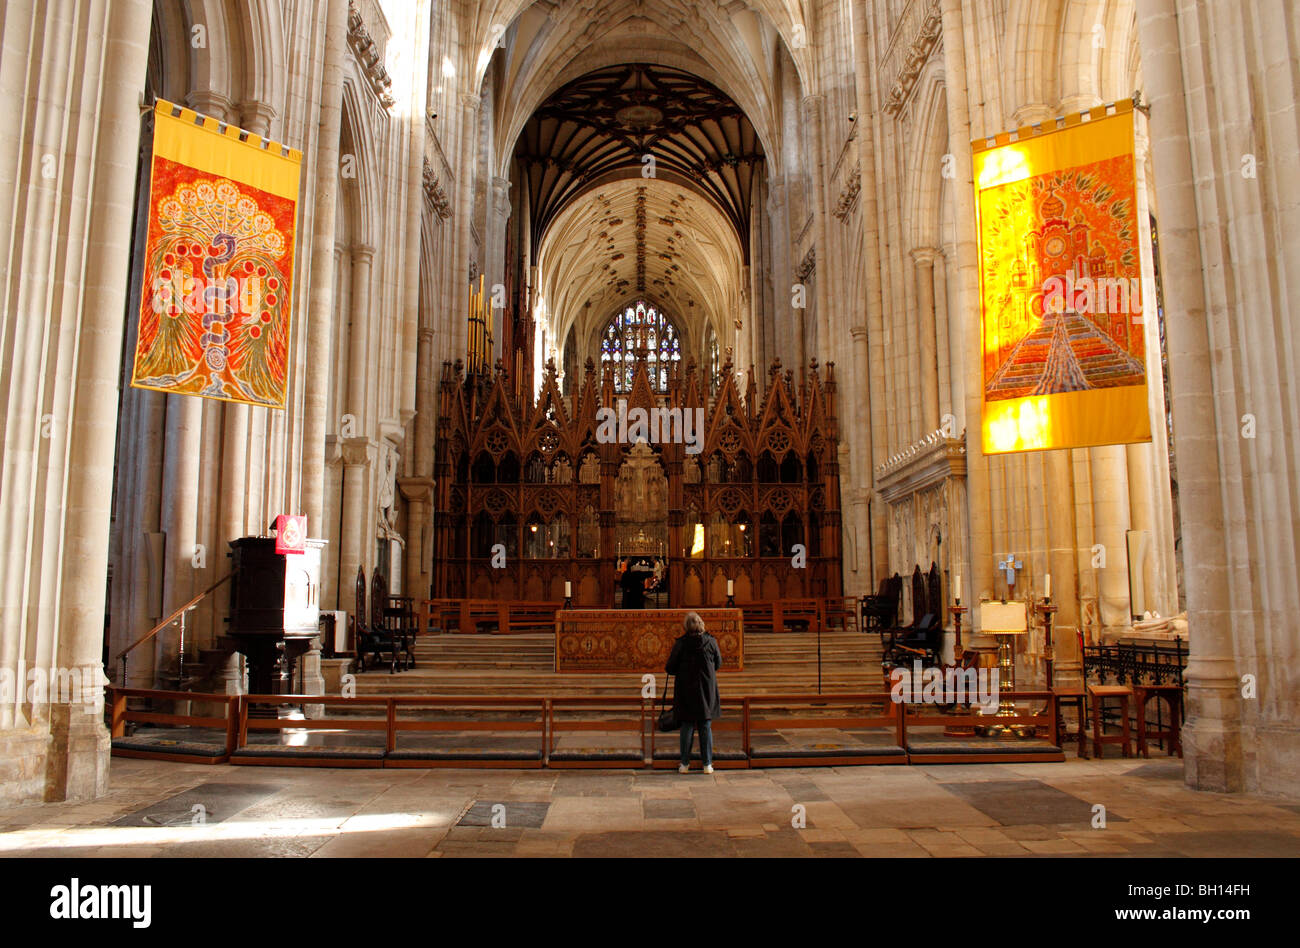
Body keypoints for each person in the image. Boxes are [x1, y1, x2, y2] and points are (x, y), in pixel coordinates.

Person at [665, 611, 722, 774]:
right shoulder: (711, 642)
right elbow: (718, 663)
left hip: (686, 690)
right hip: (705, 689)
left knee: (687, 726)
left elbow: (670, 667)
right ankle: (707, 764)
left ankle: (684, 764)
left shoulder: (681, 644)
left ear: (686, 626)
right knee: (705, 725)